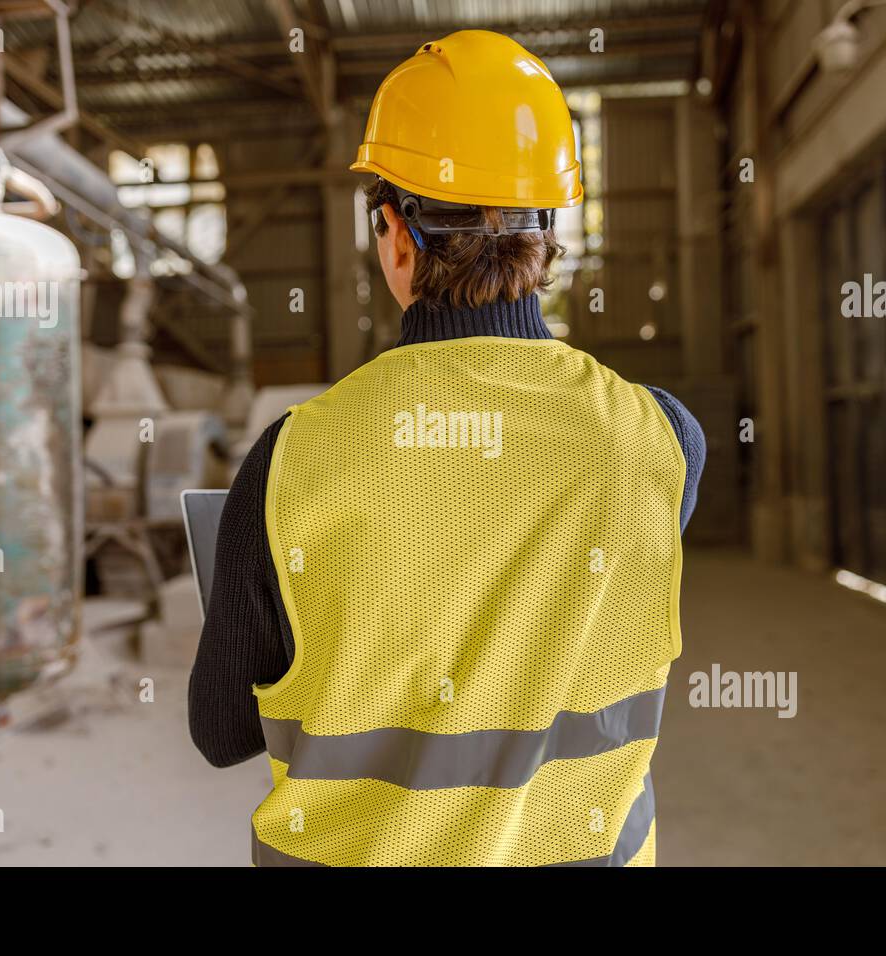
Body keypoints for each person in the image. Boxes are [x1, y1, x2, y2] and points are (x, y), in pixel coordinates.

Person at [189, 29, 705, 867]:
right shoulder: (664, 438)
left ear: (393, 235)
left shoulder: (292, 458)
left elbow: (219, 732)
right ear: (546, 235)